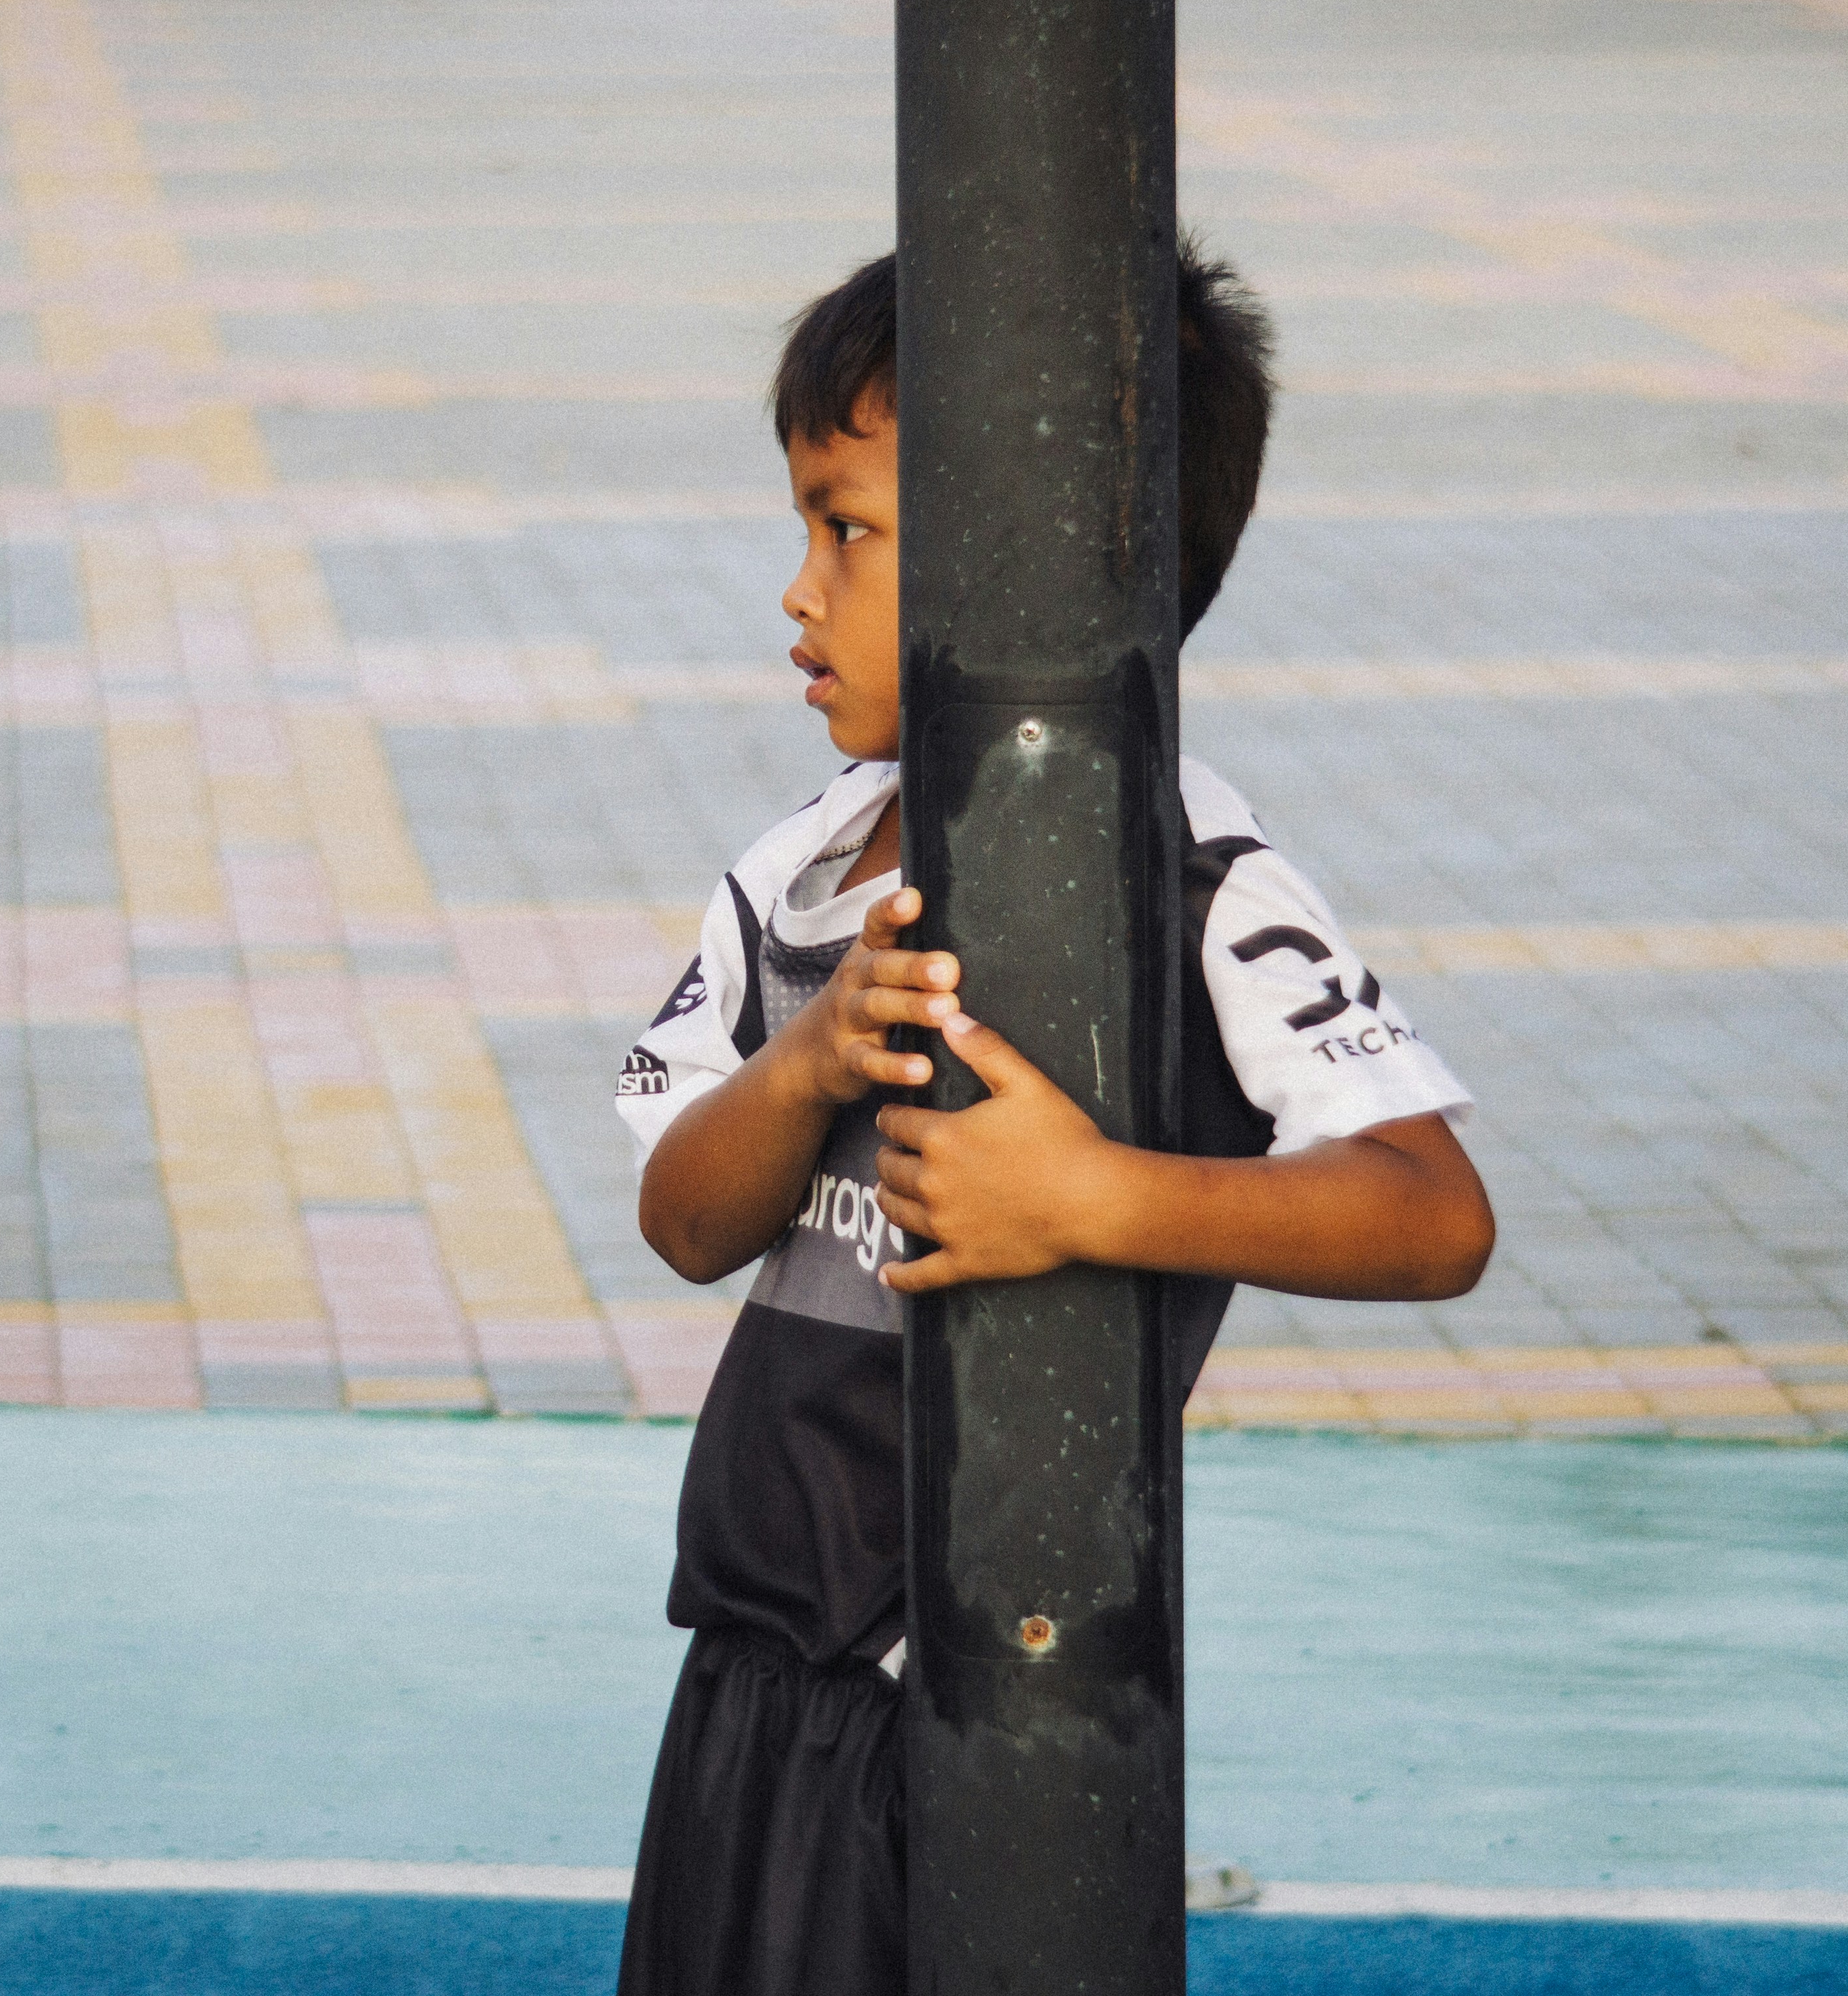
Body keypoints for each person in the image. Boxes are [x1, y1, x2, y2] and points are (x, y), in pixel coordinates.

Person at [611, 249, 1494, 1996]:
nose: (798, 591)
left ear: (1030, 552)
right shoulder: (805, 864)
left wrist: (1094, 1197)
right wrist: (806, 1065)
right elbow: (685, 1219)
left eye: (846, 529)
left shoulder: (1197, 873)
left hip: (959, 1712)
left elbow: (1432, 1213)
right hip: (743, 1683)